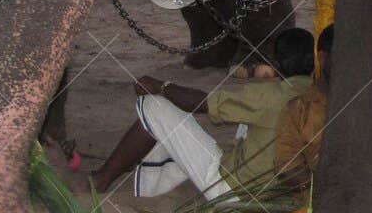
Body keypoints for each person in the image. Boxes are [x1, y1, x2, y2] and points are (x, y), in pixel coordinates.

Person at [91, 27, 318, 202]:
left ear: (275, 63)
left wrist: (161, 86)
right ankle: (152, 187)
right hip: (273, 197)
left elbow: (202, 103)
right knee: (241, 127)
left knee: (155, 107)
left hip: (232, 191)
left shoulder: (269, 95)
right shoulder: (319, 95)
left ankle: (101, 180)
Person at [275, 24, 333, 191]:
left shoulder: (370, 100)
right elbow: (288, 168)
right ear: (322, 58)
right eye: (342, 57)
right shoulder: (299, 109)